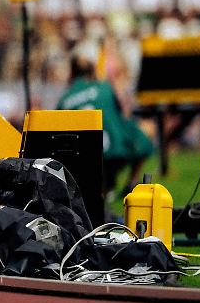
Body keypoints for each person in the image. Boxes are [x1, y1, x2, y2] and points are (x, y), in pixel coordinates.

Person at [57, 55, 154, 200]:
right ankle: (132, 182)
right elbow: (123, 113)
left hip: (88, 158)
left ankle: (103, 188)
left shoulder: (64, 100)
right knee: (147, 128)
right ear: (91, 72)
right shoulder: (105, 87)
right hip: (119, 149)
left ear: (71, 74)